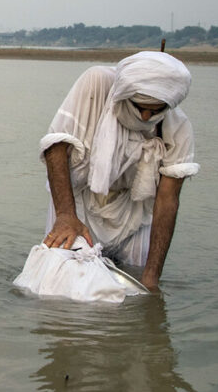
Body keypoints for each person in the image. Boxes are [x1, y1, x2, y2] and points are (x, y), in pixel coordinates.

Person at [39, 51, 197, 290]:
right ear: (125, 94)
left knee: (132, 282)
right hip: (77, 199)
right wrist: (65, 217)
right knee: (61, 280)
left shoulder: (178, 127)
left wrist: (151, 278)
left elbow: (167, 200)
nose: (145, 116)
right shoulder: (97, 83)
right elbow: (56, 147)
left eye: (155, 111)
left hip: (133, 209)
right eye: (139, 107)